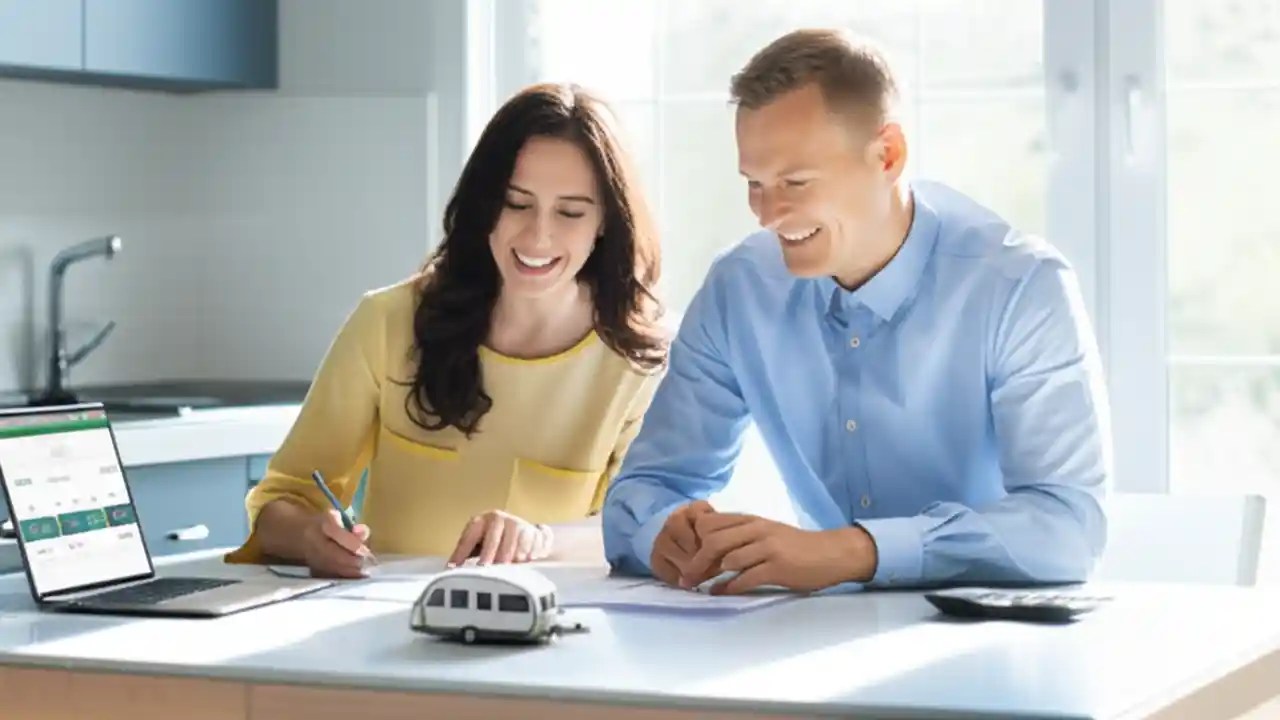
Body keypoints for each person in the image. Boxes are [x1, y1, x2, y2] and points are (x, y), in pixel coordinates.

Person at [601, 29, 1112, 595]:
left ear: (887, 155)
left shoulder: (1020, 287)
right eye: (754, 184)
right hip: (817, 638)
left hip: (1001, 639)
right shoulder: (738, 289)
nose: (768, 215)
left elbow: (1068, 529)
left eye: (795, 182)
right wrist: (664, 532)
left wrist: (854, 551)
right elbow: (641, 493)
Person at [226, 83, 667, 578]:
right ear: (484, 204)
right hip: (381, 635)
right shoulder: (389, 323)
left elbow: (642, 526)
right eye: (516, 203)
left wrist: (541, 539)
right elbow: (280, 500)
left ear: (605, 220)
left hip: (551, 634)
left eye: (569, 212)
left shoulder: (638, 364)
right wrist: (311, 538)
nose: (538, 236)